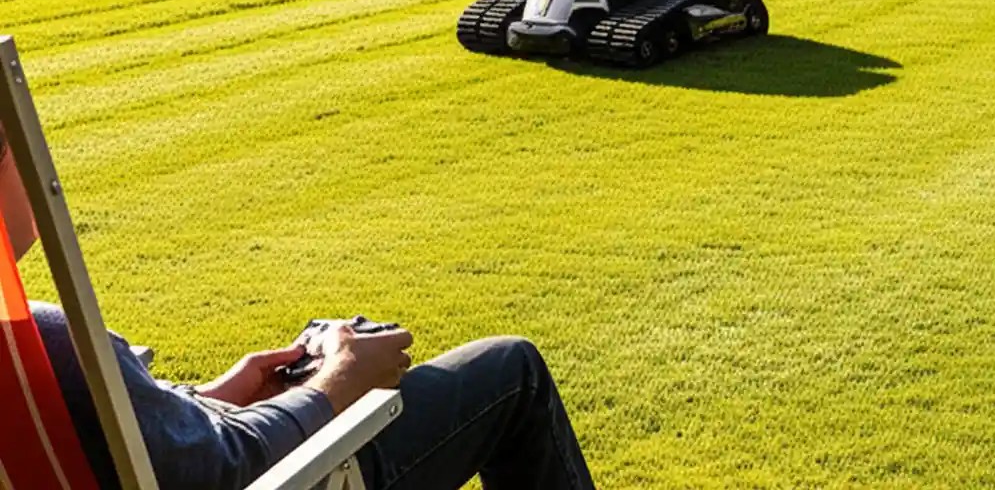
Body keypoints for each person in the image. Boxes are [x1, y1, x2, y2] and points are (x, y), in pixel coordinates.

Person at [0, 125, 595, 490]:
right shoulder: (39, 345)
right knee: (511, 372)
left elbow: (129, 440)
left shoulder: (35, 355)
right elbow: (226, 470)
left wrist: (219, 394)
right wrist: (339, 382)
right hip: (287, 478)